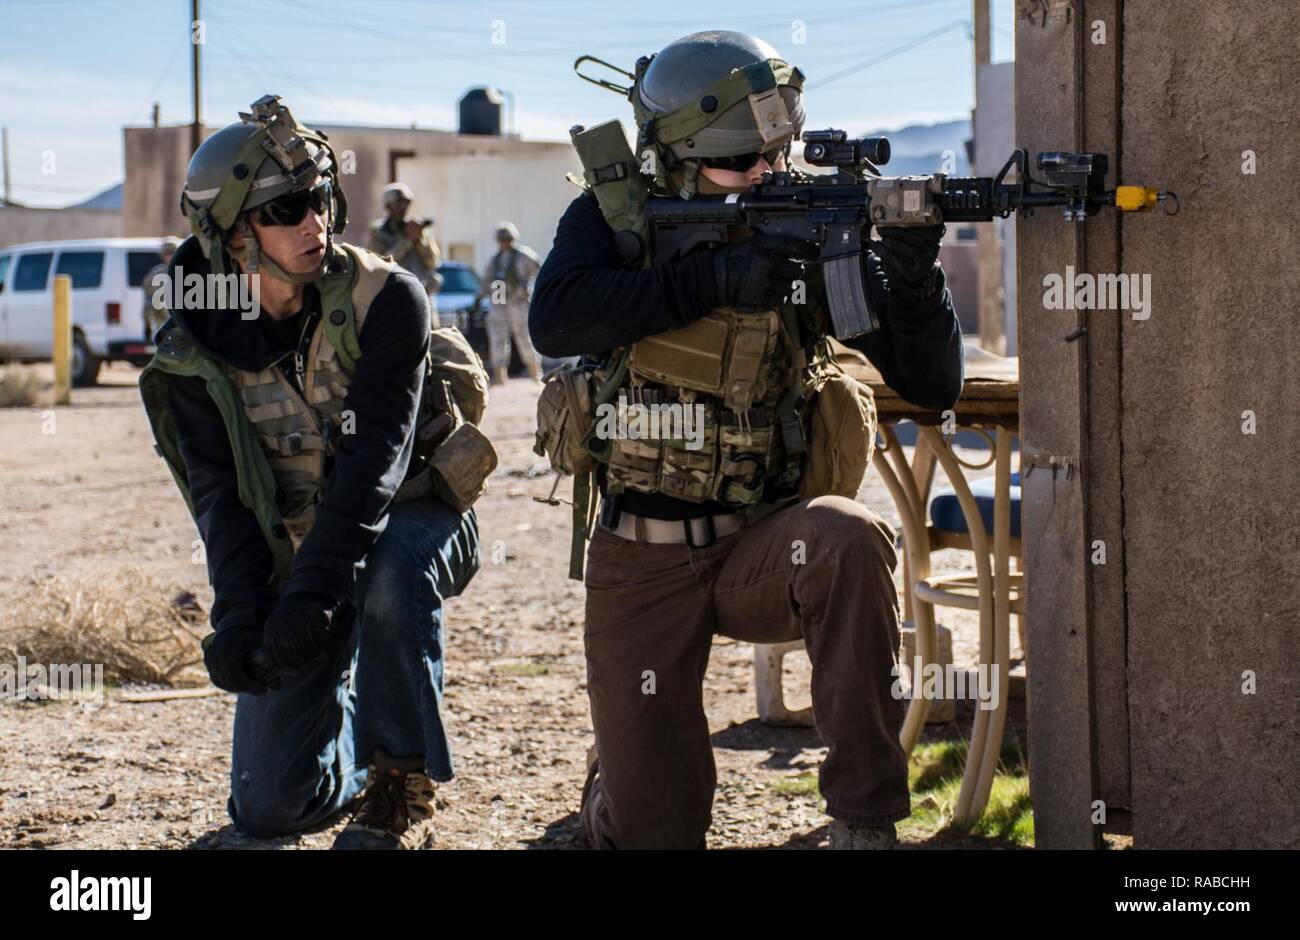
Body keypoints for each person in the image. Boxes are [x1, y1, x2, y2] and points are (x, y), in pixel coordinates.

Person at [529, 31, 964, 849]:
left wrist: (912, 276)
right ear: (677, 160)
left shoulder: (808, 232)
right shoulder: (615, 220)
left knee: (848, 537)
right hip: (642, 559)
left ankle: (866, 821)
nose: (765, 175)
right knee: (655, 830)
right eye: (740, 163)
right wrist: (714, 280)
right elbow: (555, 315)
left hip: (762, 548)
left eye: (775, 154)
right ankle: (621, 780)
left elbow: (932, 382)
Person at [139, 96, 494, 850]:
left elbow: (375, 471)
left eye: (322, 200)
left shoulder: (385, 298)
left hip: (413, 513)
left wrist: (313, 597)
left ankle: (399, 780)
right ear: (232, 235)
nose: (316, 224)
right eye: (287, 209)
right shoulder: (188, 347)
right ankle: (347, 772)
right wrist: (243, 614)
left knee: (392, 575)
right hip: (300, 548)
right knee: (268, 810)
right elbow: (221, 499)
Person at [476, 222, 541, 384]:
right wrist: (479, 297)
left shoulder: (524, 255)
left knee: (524, 338)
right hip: (498, 303)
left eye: (507, 239)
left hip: (518, 302)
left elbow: (539, 270)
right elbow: (487, 281)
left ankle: (535, 372)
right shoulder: (495, 259)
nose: (505, 242)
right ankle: (500, 376)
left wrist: (529, 288)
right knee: (497, 339)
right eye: (502, 239)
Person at [367, 182, 442, 294]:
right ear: (388, 206)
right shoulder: (378, 232)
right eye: (398, 203)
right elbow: (381, 263)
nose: (403, 207)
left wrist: (418, 240)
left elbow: (433, 262)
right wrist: (407, 240)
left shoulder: (417, 229)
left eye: (406, 203)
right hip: (394, 292)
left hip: (421, 290)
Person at [141, 236, 180, 340]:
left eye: (172, 253)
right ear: (162, 255)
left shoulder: (188, 271)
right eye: (167, 253)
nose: (169, 256)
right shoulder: (155, 274)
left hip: (184, 324)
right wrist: (147, 326)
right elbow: (148, 301)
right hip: (165, 324)